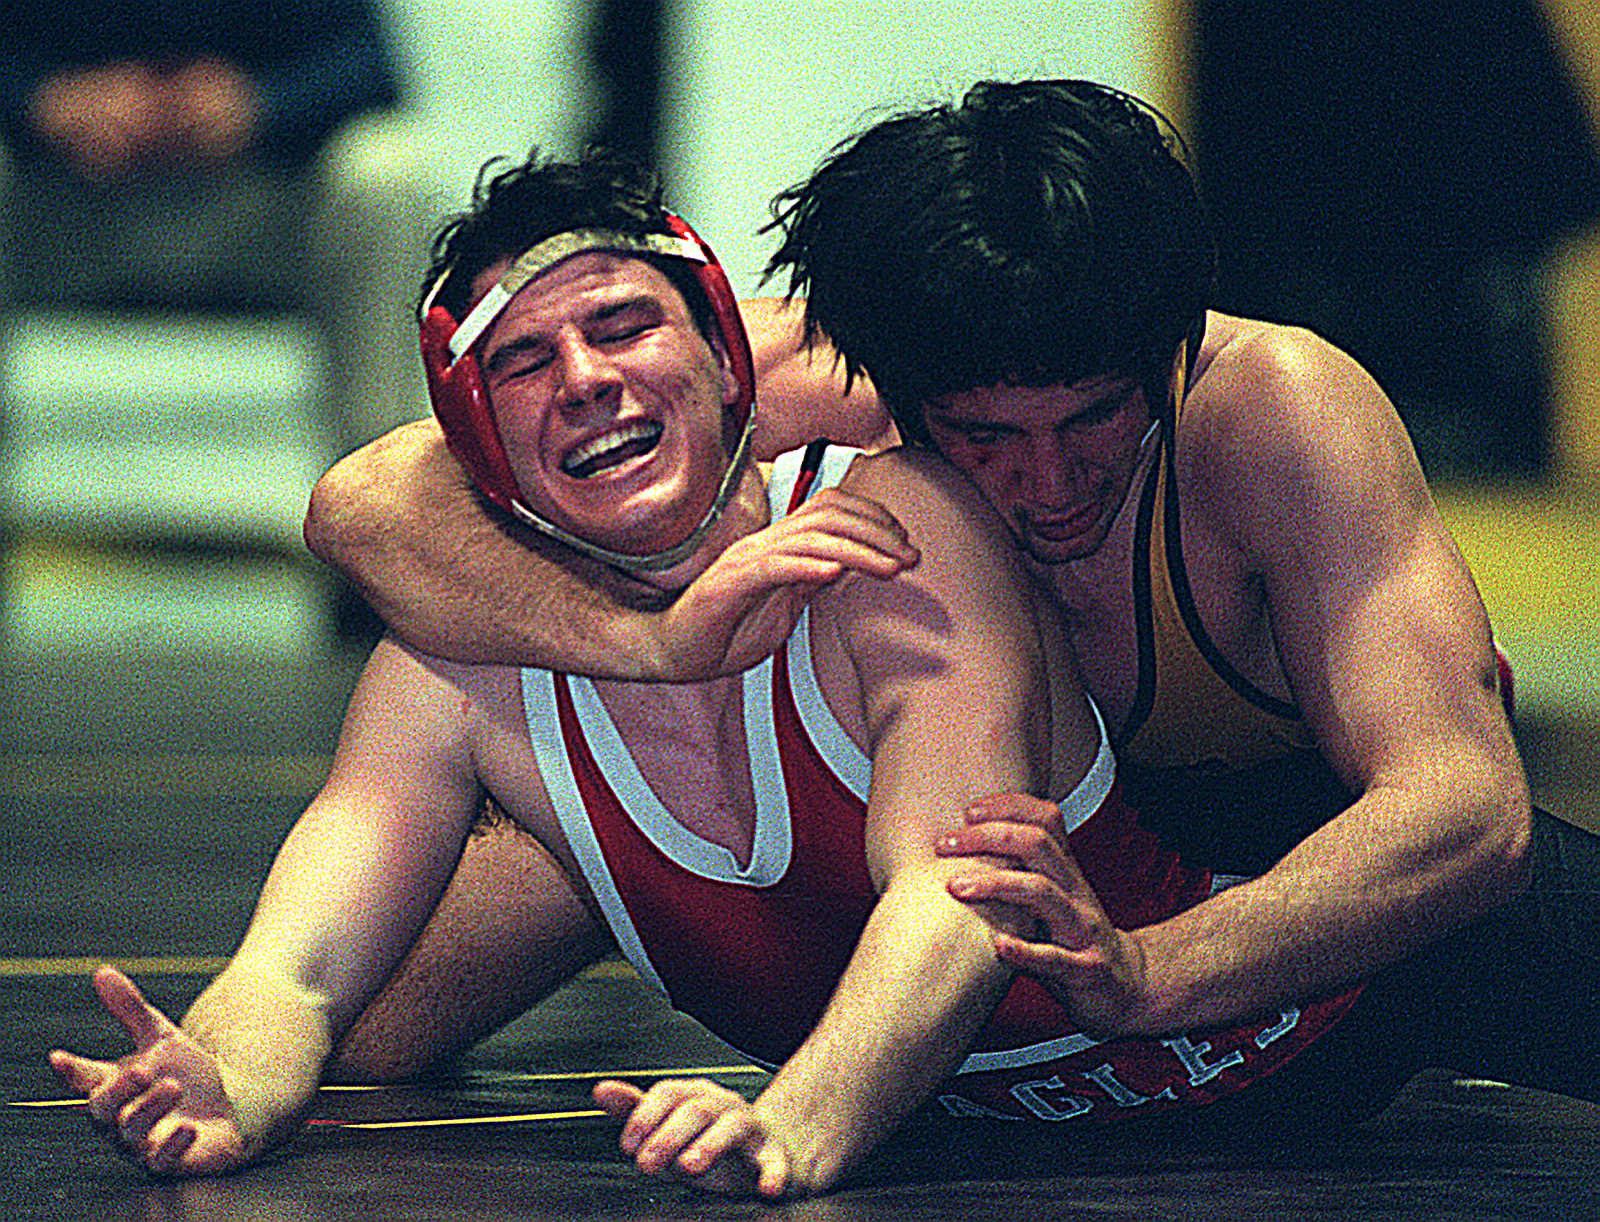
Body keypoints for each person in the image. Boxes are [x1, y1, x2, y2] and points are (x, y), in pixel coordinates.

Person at [51, 151, 1341, 1196]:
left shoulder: (887, 529)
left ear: (730, 362)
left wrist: (794, 1123)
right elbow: (295, 968)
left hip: (1279, 1068)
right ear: (473, 433)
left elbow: (958, 897)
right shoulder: (444, 672)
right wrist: (230, 1081)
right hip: (966, 1144)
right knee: (367, 1035)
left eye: (622, 327)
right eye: (524, 362)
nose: (586, 381)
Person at [301, 80, 1563, 1074]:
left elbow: (1467, 814)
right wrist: (653, 644)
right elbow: (361, 504)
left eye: (1095, 421)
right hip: (987, 814)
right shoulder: (834, 362)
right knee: (357, 1037)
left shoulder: (1273, 412)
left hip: (1313, 861)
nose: (1049, 480)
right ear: (889, 384)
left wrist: (1152, 973)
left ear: (1166, 358)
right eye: (985, 437)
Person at [1, 0, 430, 443]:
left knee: (387, 175)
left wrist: (260, 104)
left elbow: (371, 65)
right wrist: (47, 103)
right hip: (65, 212)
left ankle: (381, 472)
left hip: (255, 209)